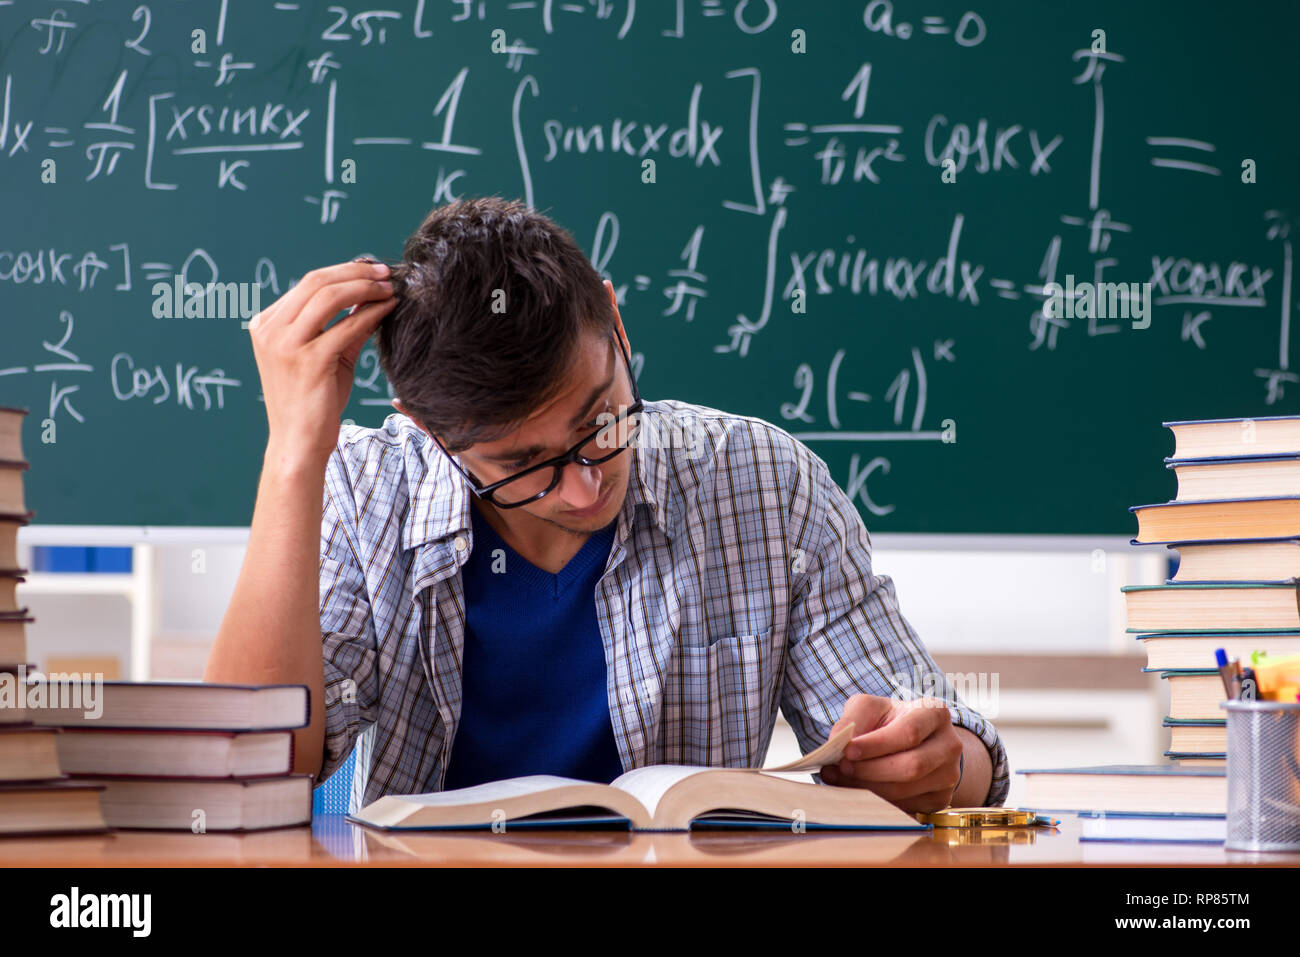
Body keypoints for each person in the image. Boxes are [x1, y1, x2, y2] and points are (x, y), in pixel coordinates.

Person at [204, 196, 1009, 814]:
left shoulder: (765, 481)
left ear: (617, 323)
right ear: (429, 432)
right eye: (525, 465)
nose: (588, 485)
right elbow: (244, 764)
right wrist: (291, 456)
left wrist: (941, 762)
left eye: (601, 421)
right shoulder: (364, 490)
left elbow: (946, 742)